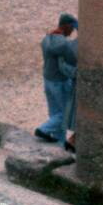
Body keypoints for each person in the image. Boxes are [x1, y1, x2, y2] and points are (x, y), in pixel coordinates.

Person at [35, 13, 78, 150]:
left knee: (55, 112)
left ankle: (59, 143)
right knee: (64, 114)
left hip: (48, 80)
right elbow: (73, 58)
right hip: (60, 82)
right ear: (66, 26)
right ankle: (43, 129)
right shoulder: (64, 44)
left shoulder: (46, 39)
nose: (72, 32)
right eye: (72, 28)